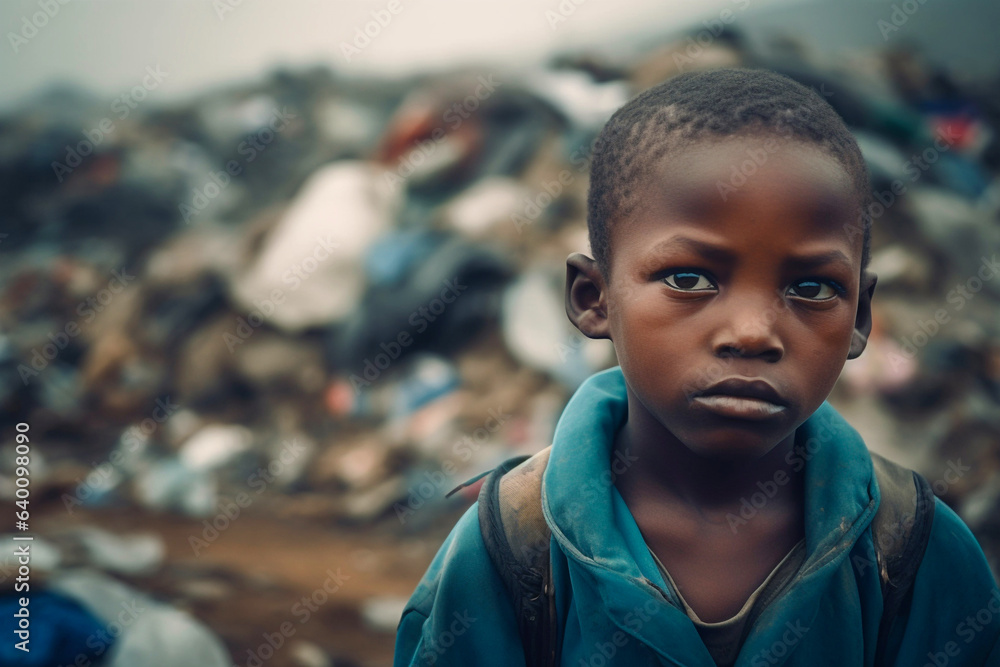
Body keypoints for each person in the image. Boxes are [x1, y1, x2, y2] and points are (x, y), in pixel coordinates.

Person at [392, 68, 1000, 667]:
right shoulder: (512, 548)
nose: (753, 332)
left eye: (813, 288)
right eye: (689, 279)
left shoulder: (915, 551)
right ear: (592, 298)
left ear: (861, 317)